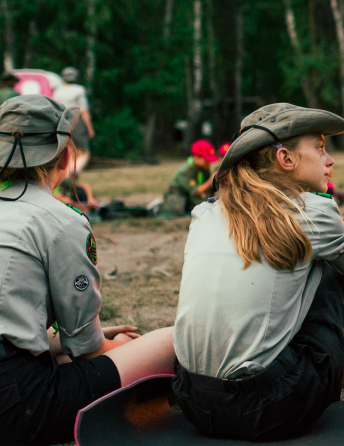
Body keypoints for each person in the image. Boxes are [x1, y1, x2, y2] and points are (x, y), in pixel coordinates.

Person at [171, 103, 344, 441]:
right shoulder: (314, 211)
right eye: (320, 147)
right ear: (286, 159)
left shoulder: (205, 212)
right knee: (336, 270)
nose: (330, 160)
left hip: (193, 399)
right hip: (271, 408)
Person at [0, 95, 175, 446]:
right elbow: (86, 348)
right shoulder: (61, 220)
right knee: (171, 339)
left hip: (12, 378)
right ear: (66, 155)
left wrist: (90, 336)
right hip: (18, 405)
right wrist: (114, 343)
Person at [158, 139, 218, 216]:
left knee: (204, 208)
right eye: (206, 160)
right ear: (197, 157)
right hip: (177, 194)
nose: (209, 163)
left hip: (190, 196)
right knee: (176, 211)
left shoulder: (204, 169)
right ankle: (158, 207)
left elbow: (206, 191)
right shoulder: (185, 170)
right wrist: (211, 181)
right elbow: (196, 191)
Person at [52, 67, 95, 174]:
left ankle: (67, 176)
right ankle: (74, 172)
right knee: (84, 152)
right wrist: (90, 129)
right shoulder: (79, 90)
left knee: (68, 151)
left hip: (60, 123)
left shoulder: (58, 91)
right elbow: (84, 111)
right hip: (76, 122)